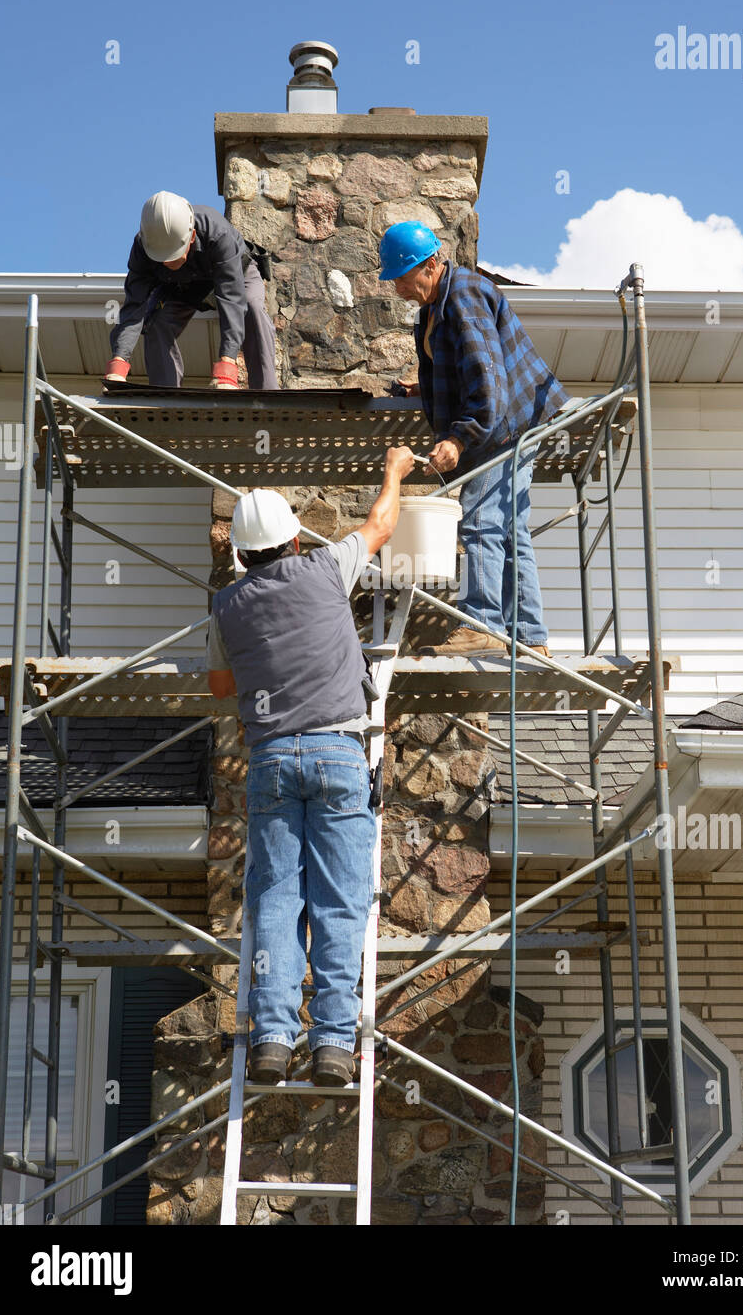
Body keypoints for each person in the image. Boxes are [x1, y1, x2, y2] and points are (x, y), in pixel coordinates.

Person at [206, 447, 415, 1086]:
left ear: (242, 554)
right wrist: (394, 470)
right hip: (337, 752)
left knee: (274, 896)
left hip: (270, 758)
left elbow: (220, 686)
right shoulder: (326, 568)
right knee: (340, 900)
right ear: (295, 539)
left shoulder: (225, 606)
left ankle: (270, 1039)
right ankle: (330, 1043)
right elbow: (380, 525)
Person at [378, 221, 573, 658]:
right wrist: (420, 389)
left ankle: (484, 624)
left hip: (505, 427)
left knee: (480, 521)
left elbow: (488, 382)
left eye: (402, 279)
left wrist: (459, 440)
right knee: (509, 530)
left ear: (430, 265)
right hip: (510, 424)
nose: (398, 291)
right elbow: (462, 368)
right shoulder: (434, 307)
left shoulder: (463, 296)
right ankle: (530, 636)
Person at [105, 191, 279, 392]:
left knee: (252, 306)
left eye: (173, 255)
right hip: (182, 286)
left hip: (236, 272)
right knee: (156, 323)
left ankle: (266, 393)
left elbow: (231, 298)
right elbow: (135, 306)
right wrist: (118, 365)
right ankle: (166, 399)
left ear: (192, 236)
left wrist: (227, 367)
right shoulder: (143, 246)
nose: (168, 262)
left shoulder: (217, 233)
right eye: (162, 258)